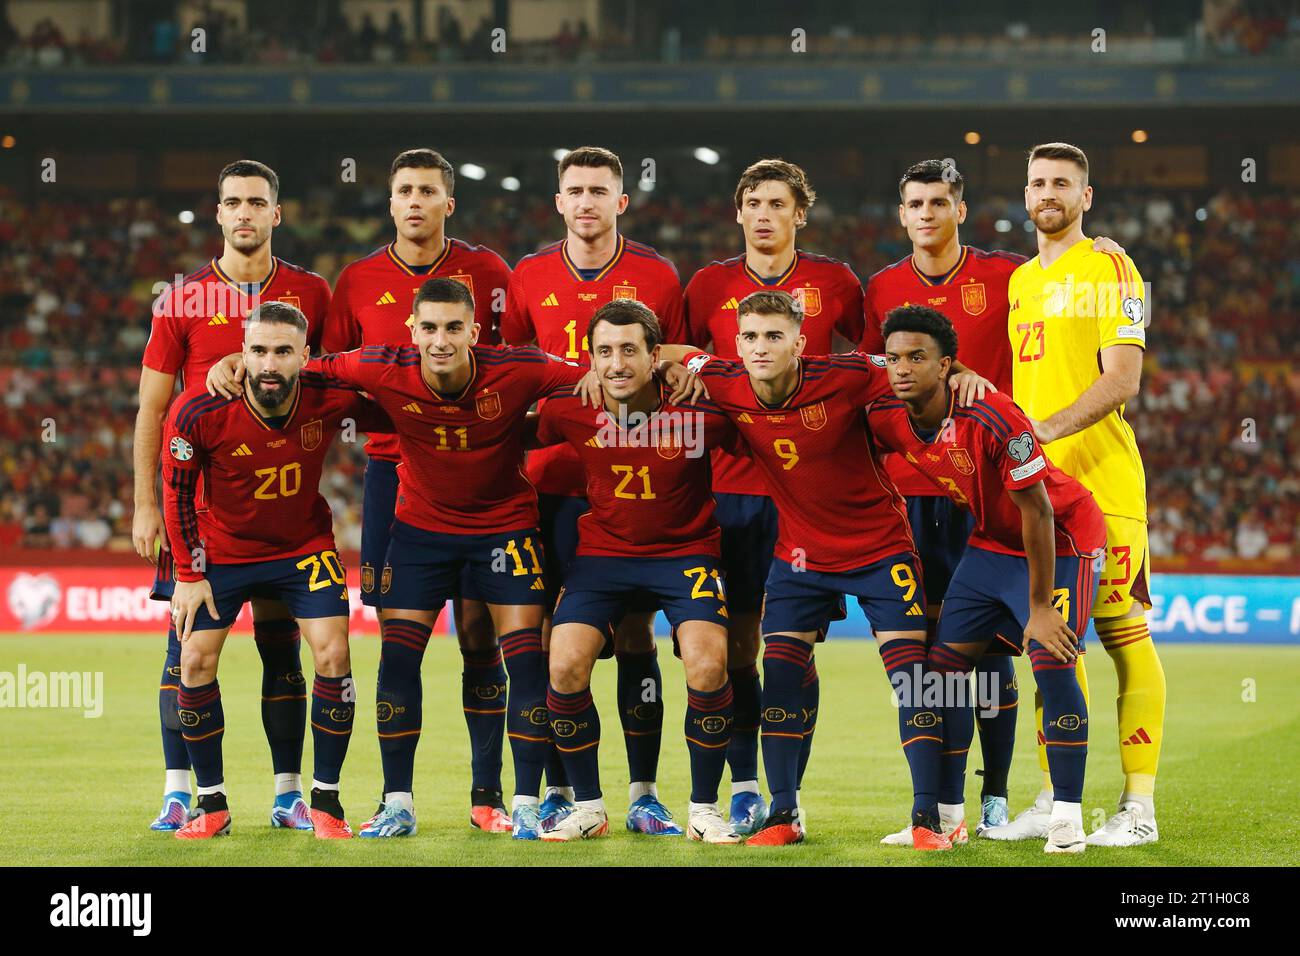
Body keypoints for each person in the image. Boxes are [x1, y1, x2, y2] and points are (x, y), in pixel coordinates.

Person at [661, 289, 994, 849]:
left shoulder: (848, 373)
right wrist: (655, 366)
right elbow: (665, 351)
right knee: (782, 677)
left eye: (774, 336)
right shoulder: (722, 379)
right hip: (799, 559)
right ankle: (784, 813)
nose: (760, 347)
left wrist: (964, 374)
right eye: (749, 337)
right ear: (736, 342)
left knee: (913, 682)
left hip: (879, 548)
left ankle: (927, 817)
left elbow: (912, 359)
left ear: (800, 342)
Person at [322, 147, 516, 833]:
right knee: (398, 637)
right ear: (390, 199)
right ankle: (395, 800)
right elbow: (331, 376)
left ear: (448, 203)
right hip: (394, 476)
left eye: (427, 191)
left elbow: (517, 364)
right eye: (403, 190)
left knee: (476, 634)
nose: (414, 202)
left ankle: (487, 797)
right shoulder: (357, 280)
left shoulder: (490, 272)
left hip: (483, 478)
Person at [135, 159, 331, 831]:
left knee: (281, 651)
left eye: (256, 202)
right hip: (199, 513)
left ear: (277, 214)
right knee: (184, 650)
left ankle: (287, 792)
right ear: (217, 214)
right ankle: (180, 790)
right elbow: (151, 411)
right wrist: (143, 506)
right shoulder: (181, 298)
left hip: (279, 515)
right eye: (232, 203)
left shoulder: (312, 293)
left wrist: (253, 365)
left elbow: (330, 376)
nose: (244, 213)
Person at [868, 305, 1106, 853]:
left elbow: (1040, 512)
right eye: (896, 358)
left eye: (917, 358)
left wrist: (1041, 606)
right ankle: (946, 817)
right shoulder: (888, 413)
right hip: (991, 543)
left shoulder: (994, 415)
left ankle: (1067, 816)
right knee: (942, 673)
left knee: (1052, 661)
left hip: (1060, 539)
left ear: (947, 365)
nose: (903, 369)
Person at [501, 146, 687, 837]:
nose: (585, 201)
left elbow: (683, 363)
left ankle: (643, 792)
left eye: (598, 190)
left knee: (636, 632)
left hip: (636, 486)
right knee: (557, 640)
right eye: (574, 190)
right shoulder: (527, 276)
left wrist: (621, 370)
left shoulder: (658, 276)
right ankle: (562, 789)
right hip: (552, 488)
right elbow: (513, 372)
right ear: (558, 203)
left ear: (621, 201)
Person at [683, 158, 865, 832]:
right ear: (738, 212)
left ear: (799, 213)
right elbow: (674, 353)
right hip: (729, 494)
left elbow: (879, 366)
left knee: (790, 649)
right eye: (753, 202)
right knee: (735, 647)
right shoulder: (707, 285)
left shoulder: (837, 283)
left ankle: (788, 795)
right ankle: (744, 786)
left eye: (778, 203)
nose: (764, 214)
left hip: (806, 501)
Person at [163, 301, 390, 839]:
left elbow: (400, 407)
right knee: (193, 661)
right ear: (241, 353)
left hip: (302, 548)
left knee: (334, 653)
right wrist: (190, 574)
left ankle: (325, 802)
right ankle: (210, 802)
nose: (269, 363)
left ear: (304, 356)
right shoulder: (198, 409)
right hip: (223, 550)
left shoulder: (329, 398)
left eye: (283, 351)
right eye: (259, 350)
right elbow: (174, 493)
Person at [993, 142, 1164, 847]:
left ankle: (1138, 809)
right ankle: (1054, 798)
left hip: (1104, 484)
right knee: (1052, 646)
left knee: (1124, 638)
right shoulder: (1020, 282)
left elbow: (1123, 380)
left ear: (1086, 197)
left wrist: (1045, 429)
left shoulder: (1115, 268)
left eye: (1062, 182)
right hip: (1043, 497)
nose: (1048, 192)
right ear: (1025, 194)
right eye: (1037, 182)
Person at [532, 299, 740, 843]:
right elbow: (510, 422)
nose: (617, 363)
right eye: (604, 351)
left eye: (629, 350)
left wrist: (689, 365)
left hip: (686, 553)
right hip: (602, 556)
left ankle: (703, 808)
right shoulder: (571, 407)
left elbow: (755, 403)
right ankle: (591, 808)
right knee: (564, 665)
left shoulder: (701, 410)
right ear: (591, 359)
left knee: (708, 666)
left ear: (655, 358)